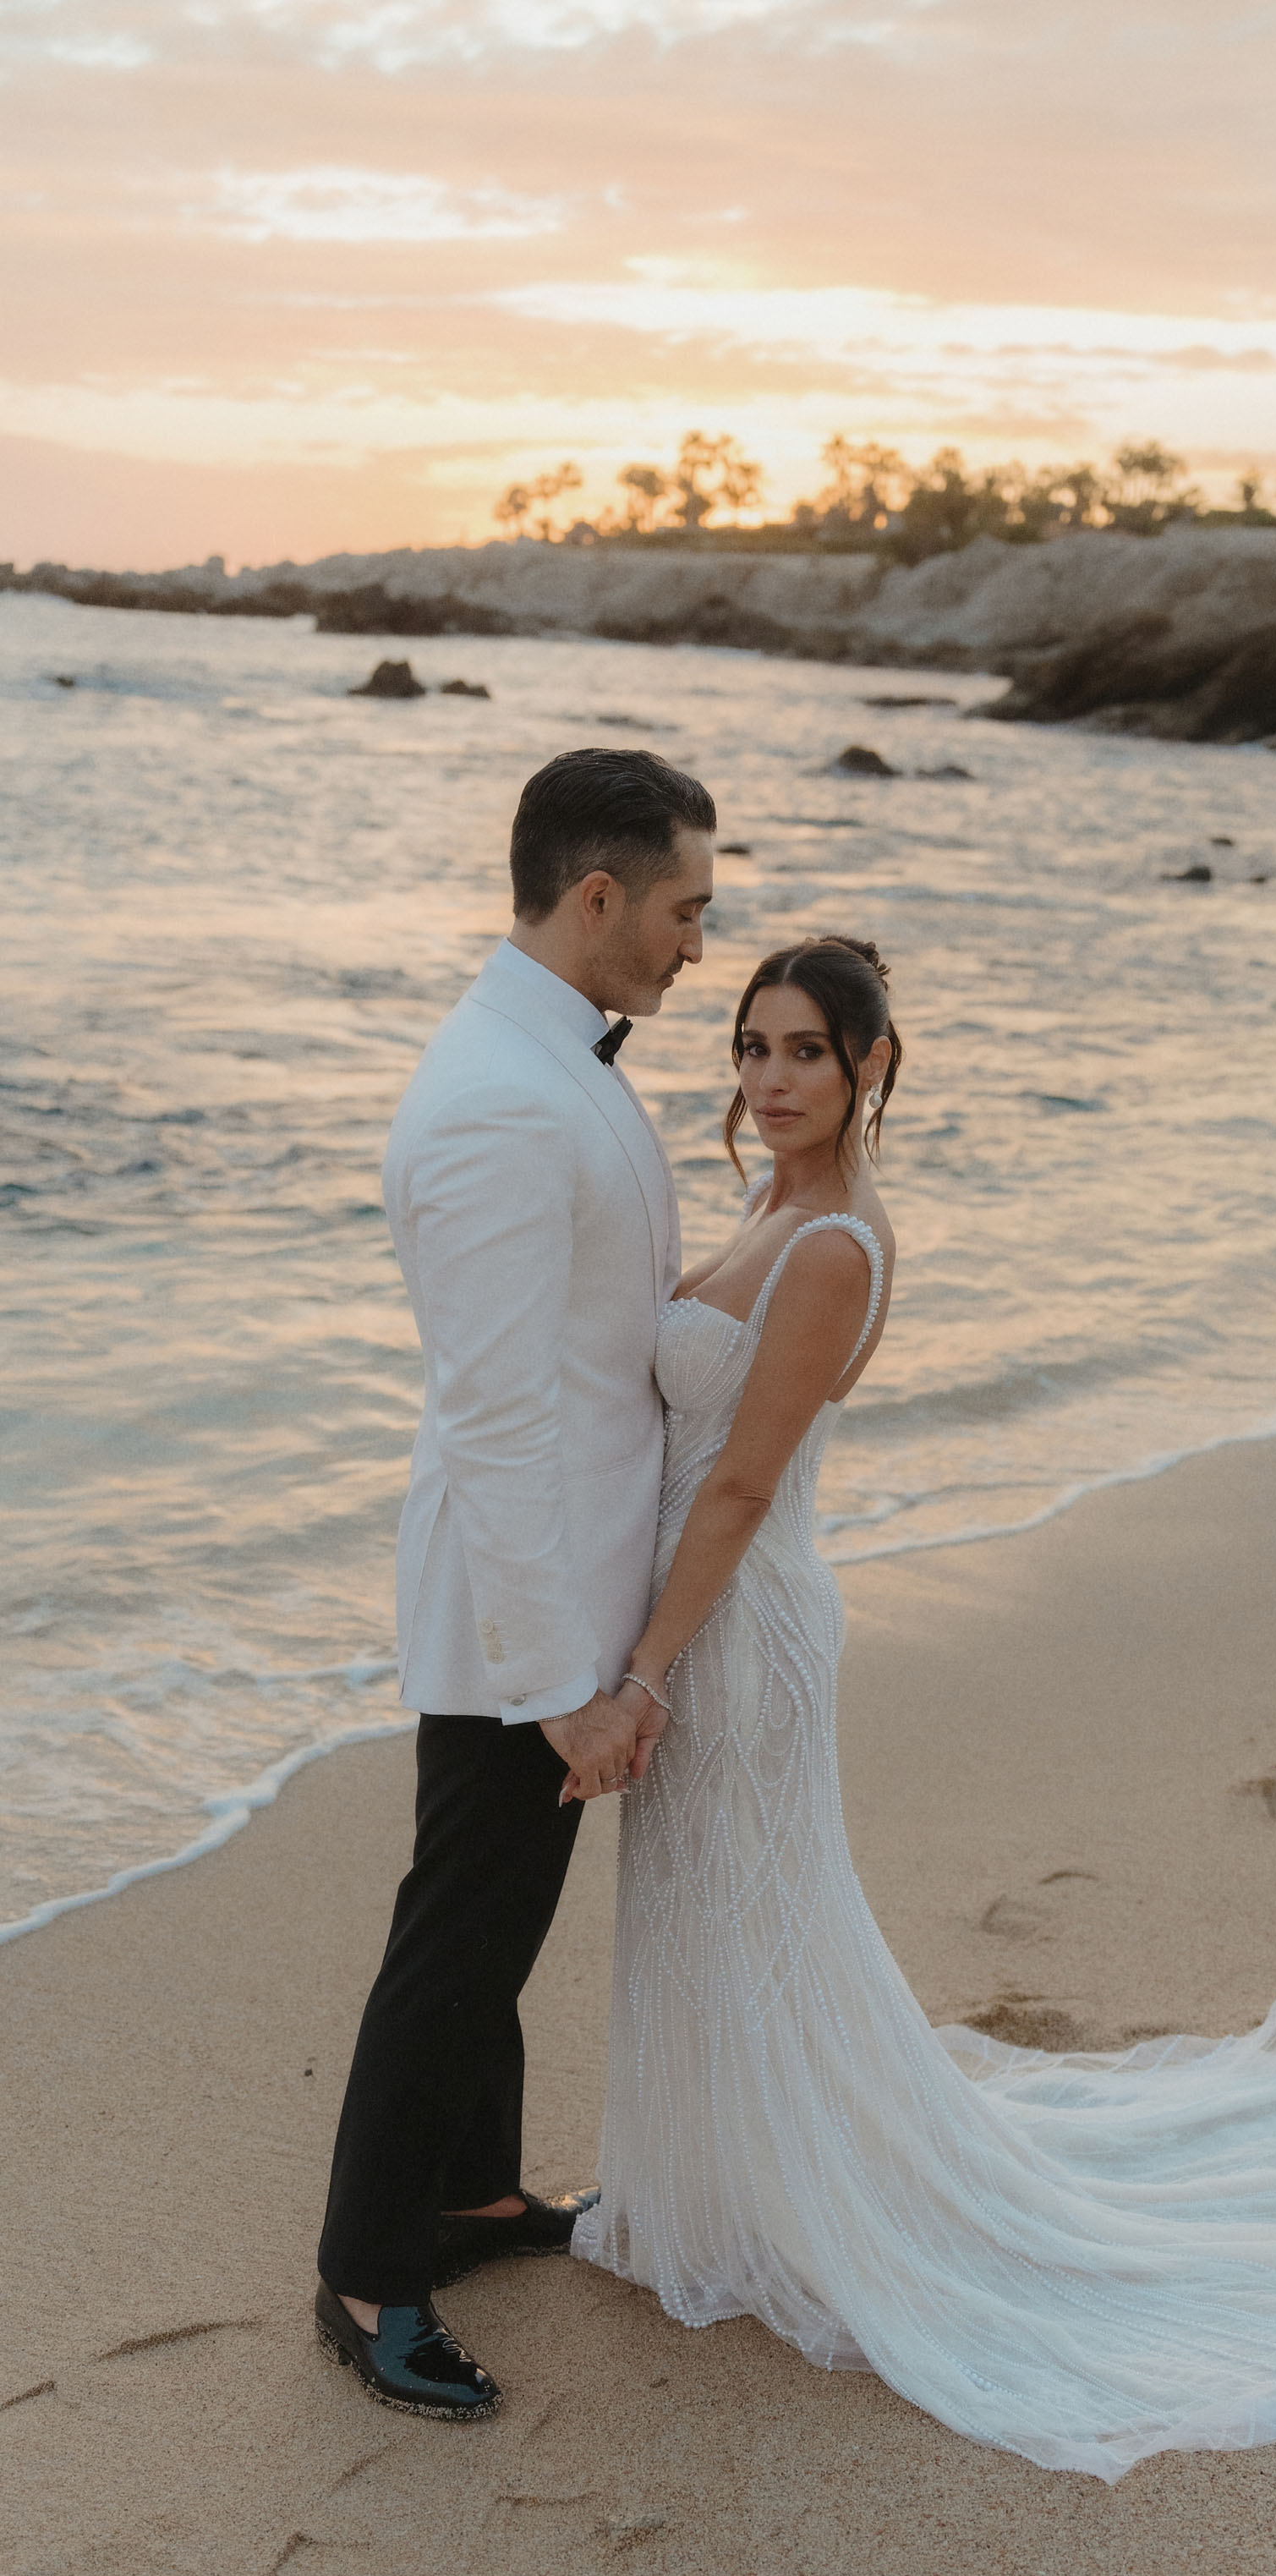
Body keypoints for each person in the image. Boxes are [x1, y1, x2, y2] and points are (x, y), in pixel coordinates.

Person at [572, 929, 1276, 2480]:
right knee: (717, 1913)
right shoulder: (773, 1203)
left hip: (736, 1628)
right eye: (752, 1047)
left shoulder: (835, 1241)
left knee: (752, 1912)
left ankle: (808, 2210)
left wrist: (644, 1666)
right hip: (710, 1615)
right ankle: (734, 2192)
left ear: (871, 1069)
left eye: (803, 1053)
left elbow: (741, 1482)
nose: (769, 1080)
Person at [314, 748, 713, 2420]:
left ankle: (473, 2197)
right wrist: (559, 1675)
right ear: (597, 896)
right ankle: (367, 2271)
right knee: (460, 1943)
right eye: (687, 909)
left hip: (554, 1594)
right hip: (511, 1614)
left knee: (499, 1925)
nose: (703, 942)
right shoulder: (493, 1097)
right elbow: (489, 1413)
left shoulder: (547, 1059)